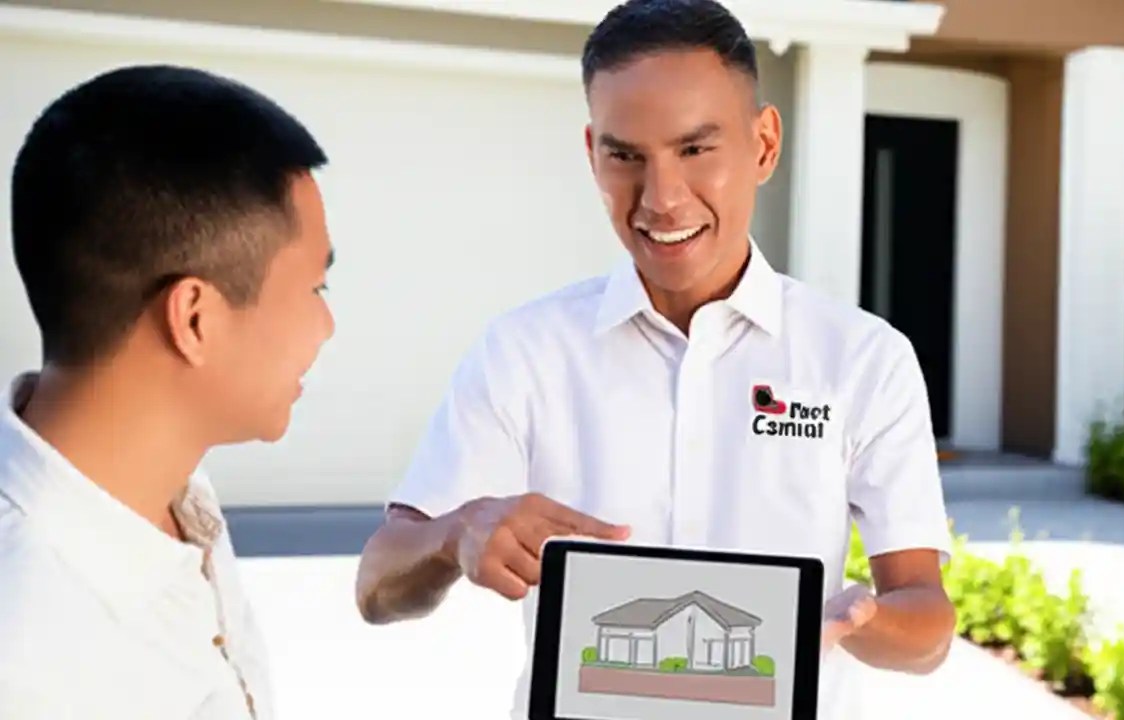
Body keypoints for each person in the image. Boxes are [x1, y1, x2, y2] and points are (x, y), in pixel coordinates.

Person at [355, 0, 955, 716]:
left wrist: (860, 620)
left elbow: (927, 626)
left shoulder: (864, 360)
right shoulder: (526, 352)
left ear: (764, 145)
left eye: (696, 149)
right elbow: (377, 585)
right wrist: (455, 535)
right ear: (591, 153)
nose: (662, 199)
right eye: (625, 156)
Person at [0, 65, 335, 719]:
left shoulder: (175, 503)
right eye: (315, 290)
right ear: (195, 320)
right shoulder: (27, 648)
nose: (327, 326)